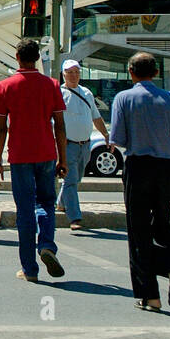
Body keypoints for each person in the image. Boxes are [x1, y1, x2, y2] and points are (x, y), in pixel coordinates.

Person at [110, 52, 170, 310]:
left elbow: (119, 139)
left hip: (138, 166)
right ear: (156, 72)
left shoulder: (123, 98)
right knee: (162, 223)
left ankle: (150, 296)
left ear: (131, 72)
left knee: (139, 231)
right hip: (165, 167)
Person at [0, 38, 68, 283]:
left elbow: (1, 128)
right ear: (37, 58)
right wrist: (63, 159)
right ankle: (46, 243)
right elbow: (60, 125)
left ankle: (29, 269)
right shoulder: (52, 85)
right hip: (46, 153)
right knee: (46, 201)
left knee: (24, 210)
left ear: (17, 57)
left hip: (19, 155)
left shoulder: (5, 86)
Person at [59, 59, 111, 230]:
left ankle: (61, 202)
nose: (73, 75)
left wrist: (105, 134)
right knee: (71, 179)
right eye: (70, 72)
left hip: (85, 144)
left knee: (75, 178)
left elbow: (95, 116)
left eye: (76, 72)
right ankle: (74, 217)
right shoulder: (59, 93)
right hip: (68, 144)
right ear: (63, 74)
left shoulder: (87, 92)